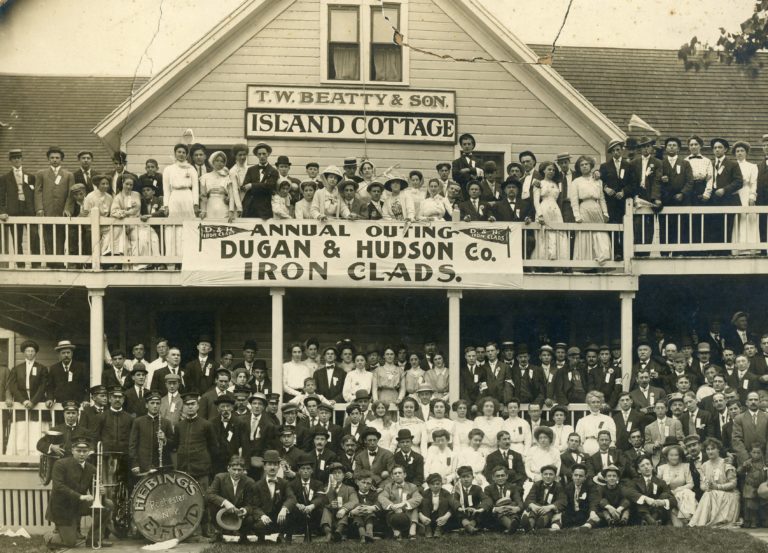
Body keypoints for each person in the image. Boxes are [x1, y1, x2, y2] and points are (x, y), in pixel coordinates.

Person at [44, 436, 110, 548]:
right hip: (62, 508)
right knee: (70, 543)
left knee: (108, 505)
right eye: (78, 451)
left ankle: (92, 539)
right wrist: (80, 496)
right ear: (72, 450)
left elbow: (95, 494)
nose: (82, 454)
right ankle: (49, 536)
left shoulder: (91, 468)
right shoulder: (60, 464)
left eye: (85, 451)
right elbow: (59, 487)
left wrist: (101, 492)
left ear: (89, 452)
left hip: (78, 506)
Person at [35, 146, 75, 261]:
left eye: (57, 157)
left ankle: (59, 263)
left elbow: (71, 194)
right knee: (47, 237)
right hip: (47, 211)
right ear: (48, 159)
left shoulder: (68, 175)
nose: (55, 160)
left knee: (60, 237)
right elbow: (38, 192)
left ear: (61, 159)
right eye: (52, 157)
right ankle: (50, 262)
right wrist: (39, 208)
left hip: (61, 211)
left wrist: (68, 209)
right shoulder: (41, 174)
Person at [206, 455, 258, 543]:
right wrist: (225, 503)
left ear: (243, 471)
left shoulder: (249, 482)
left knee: (249, 518)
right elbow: (209, 494)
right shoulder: (219, 478)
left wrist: (245, 510)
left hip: (239, 515)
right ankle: (218, 533)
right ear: (228, 468)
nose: (236, 473)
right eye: (234, 469)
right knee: (212, 504)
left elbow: (251, 504)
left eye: (239, 470)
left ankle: (243, 536)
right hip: (223, 511)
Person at [689, 437, 740, 526]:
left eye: (713, 449)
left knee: (710, 494)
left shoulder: (726, 463)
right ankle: (701, 522)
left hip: (729, 494)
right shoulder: (704, 465)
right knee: (708, 493)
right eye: (708, 449)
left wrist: (717, 487)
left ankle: (700, 522)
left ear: (718, 450)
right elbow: (702, 484)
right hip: (712, 494)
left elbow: (733, 483)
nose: (710, 452)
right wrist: (707, 487)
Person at [571, 155, 610, 265]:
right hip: (584, 207)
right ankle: (585, 263)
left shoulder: (598, 181)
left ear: (591, 165)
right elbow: (574, 201)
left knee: (599, 233)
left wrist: (605, 212)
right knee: (585, 233)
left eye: (586, 164)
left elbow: (602, 198)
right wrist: (577, 215)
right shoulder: (576, 182)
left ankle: (602, 258)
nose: (584, 166)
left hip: (596, 207)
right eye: (581, 165)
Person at [0, 149, 38, 262]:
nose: (17, 160)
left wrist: (36, 209)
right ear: (10, 161)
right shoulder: (4, 178)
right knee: (17, 238)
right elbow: (1, 197)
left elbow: (35, 194)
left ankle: (36, 263)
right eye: (14, 158)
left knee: (34, 236)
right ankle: (20, 264)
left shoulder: (30, 177)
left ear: (22, 159)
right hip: (14, 210)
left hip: (29, 210)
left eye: (18, 158)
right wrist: (2, 211)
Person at [252, 449, 296, 542]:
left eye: (275, 464)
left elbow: (291, 498)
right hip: (265, 519)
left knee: (292, 509)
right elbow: (255, 506)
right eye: (269, 464)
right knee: (258, 524)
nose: (272, 467)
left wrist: (284, 508)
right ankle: (262, 538)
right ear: (264, 467)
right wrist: (262, 516)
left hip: (279, 518)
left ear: (279, 466)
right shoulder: (257, 485)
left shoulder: (284, 483)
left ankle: (283, 536)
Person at [162, 144, 199, 255]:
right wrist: (166, 205)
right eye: (179, 152)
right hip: (174, 197)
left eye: (183, 152)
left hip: (187, 197)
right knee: (174, 226)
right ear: (175, 153)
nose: (181, 154)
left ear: (186, 154)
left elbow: (195, 187)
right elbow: (166, 189)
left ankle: (188, 255)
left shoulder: (191, 168)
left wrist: (195, 203)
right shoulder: (169, 169)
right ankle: (173, 256)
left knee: (187, 225)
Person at [128, 390, 174, 475]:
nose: (155, 406)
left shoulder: (166, 423)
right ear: (146, 405)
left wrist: (165, 439)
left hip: (162, 467)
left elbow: (173, 446)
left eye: (157, 403)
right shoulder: (138, 422)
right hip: (143, 466)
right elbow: (132, 445)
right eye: (152, 403)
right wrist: (135, 464)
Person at [531, 161, 568, 260]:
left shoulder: (556, 184)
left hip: (555, 210)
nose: (551, 172)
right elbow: (536, 201)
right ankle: (544, 258)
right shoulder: (539, 183)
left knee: (557, 232)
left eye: (553, 170)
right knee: (545, 233)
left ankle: (558, 258)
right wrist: (540, 215)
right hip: (544, 208)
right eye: (549, 169)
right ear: (543, 171)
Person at [288, 453, 328, 541]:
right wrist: (298, 505)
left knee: (321, 509)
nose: (305, 471)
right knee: (290, 509)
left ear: (312, 471)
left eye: (308, 468)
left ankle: (316, 531)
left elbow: (320, 497)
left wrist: (311, 506)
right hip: (299, 513)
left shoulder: (318, 484)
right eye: (303, 469)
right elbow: (290, 497)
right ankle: (289, 535)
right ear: (298, 471)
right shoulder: (292, 484)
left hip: (312, 513)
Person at [656, 443, 697, 526]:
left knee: (686, 493)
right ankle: (684, 519)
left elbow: (691, 483)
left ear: (680, 456)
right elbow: (658, 486)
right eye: (671, 455)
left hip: (684, 495)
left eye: (676, 455)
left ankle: (688, 518)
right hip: (669, 496)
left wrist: (679, 490)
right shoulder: (661, 468)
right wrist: (670, 491)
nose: (674, 457)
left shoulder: (685, 466)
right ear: (667, 456)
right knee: (678, 526)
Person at [378, 464, 422, 539]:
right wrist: (392, 506)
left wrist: (403, 504)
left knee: (414, 508)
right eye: (395, 473)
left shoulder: (412, 486)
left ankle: (412, 529)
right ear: (392, 477)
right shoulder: (388, 487)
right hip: (394, 512)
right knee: (388, 511)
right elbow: (381, 497)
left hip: (407, 512)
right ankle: (396, 531)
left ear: (404, 475)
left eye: (400, 473)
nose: (397, 475)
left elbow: (418, 498)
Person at [731, 141, 759, 255]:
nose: (739, 153)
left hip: (746, 194)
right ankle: (738, 248)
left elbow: (754, 183)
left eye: (742, 151)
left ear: (746, 153)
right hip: (735, 194)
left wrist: (752, 196)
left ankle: (751, 247)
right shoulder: (732, 166)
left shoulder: (752, 166)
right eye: (737, 151)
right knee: (737, 219)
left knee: (748, 219)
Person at [521, 464, 566, 531]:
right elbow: (529, 498)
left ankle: (539, 525)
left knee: (549, 512)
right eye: (545, 474)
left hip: (550, 512)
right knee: (533, 510)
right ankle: (530, 525)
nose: (548, 476)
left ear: (555, 477)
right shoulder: (537, 484)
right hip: (537, 510)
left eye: (551, 474)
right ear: (542, 475)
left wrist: (550, 507)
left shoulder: (558, 486)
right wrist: (533, 505)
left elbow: (562, 500)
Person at [322, 461, 359, 541]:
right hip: (330, 517)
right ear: (330, 476)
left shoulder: (349, 489)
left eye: (339, 473)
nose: (337, 475)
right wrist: (330, 505)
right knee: (326, 510)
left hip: (343, 518)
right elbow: (322, 503)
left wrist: (344, 509)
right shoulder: (326, 489)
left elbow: (354, 500)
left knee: (345, 511)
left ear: (343, 476)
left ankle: (339, 531)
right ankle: (327, 531)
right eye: (334, 473)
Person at [200, 151, 241, 222]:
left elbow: (231, 196)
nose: (219, 163)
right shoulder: (205, 177)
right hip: (210, 207)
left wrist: (231, 211)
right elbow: (203, 196)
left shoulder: (227, 177)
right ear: (212, 161)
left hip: (223, 207)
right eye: (217, 160)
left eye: (222, 161)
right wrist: (203, 210)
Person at [242, 143, 278, 219]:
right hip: (250, 207)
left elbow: (270, 187)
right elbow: (245, 185)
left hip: (265, 209)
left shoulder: (273, 171)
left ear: (268, 154)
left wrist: (252, 186)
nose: (262, 156)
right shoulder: (251, 169)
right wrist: (262, 186)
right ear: (257, 155)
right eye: (259, 154)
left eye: (264, 154)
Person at [560, 462, 599, 529]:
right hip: (572, 513)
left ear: (585, 477)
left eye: (581, 476)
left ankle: (586, 526)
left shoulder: (590, 486)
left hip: (585, 513)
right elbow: (565, 501)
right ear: (572, 476)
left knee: (596, 517)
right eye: (576, 475)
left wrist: (592, 512)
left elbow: (593, 500)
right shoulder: (568, 487)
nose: (578, 478)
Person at [738, 443, 768, 528]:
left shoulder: (764, 463)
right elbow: (739, 472)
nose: (756, 455)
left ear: (762, 453)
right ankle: (752, 521)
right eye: (754, 452)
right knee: (751, 505)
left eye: (758, 453)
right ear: (750, 453)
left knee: (764, 504)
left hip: (762, 487)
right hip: (751, 486)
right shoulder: (748, 463)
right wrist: (743, 467)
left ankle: (764, 520)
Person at [420, 472, 458, 537]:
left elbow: (451, 506)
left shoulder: (446, 493)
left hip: (441, 516)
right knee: (425, 501)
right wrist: (421, 516)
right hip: (428, 517)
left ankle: (439, 528)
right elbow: (419, 507)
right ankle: (428, 528)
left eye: (438, 484)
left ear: (441, 484)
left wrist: (445, 517)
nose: (435, 486)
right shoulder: (425, 493)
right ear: (428, 485)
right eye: (432, 484)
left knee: (444, 501)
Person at [349, 470, 380, 543]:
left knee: (368, 505)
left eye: (368, 483)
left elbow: (378, 503)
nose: (365, 486)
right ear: (357, 482)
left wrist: (371, 508)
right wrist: (353, 512)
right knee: (358, 506)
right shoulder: (353, 494)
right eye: (363, 482)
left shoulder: (374, 494)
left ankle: (368, 533)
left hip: (373, 521)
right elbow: (348, 506)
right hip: (355, 524)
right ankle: (364, 535)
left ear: (371, 484)